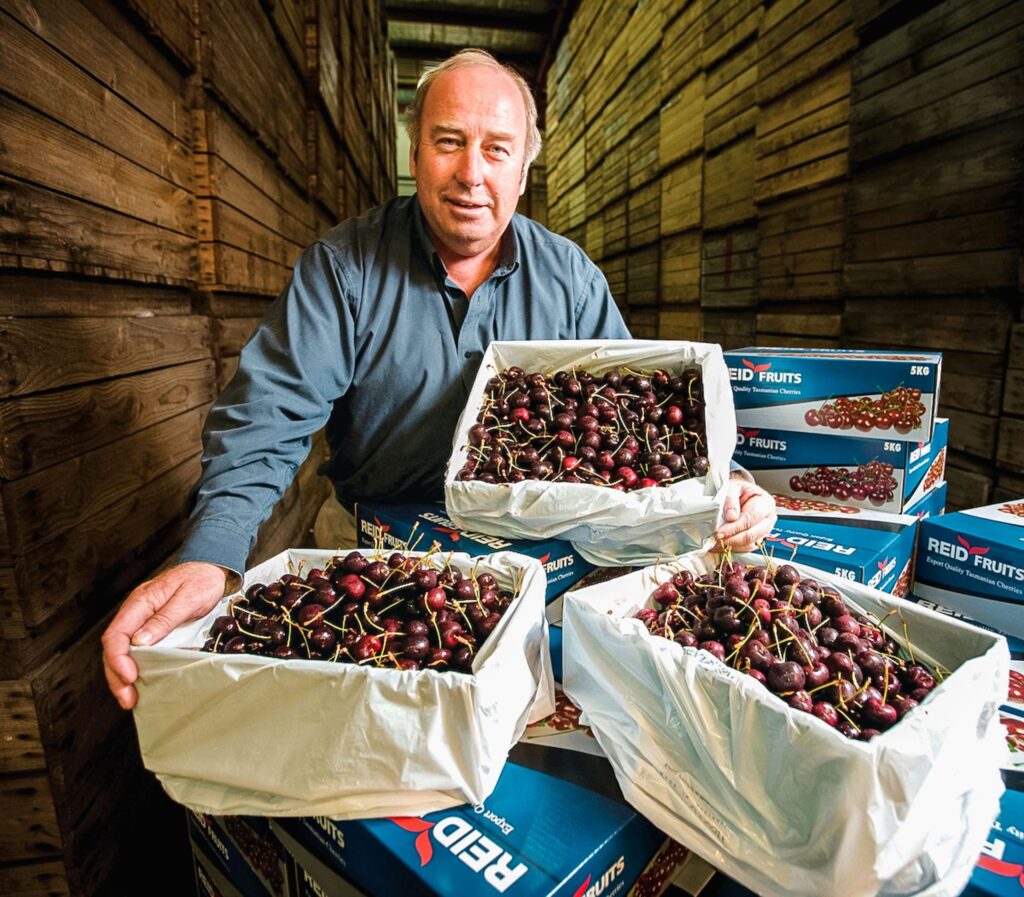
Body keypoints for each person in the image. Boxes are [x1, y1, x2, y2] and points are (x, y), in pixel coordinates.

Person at [102, 49, 776, 709]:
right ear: (415, 154)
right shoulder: (344, 268)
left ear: (524, 169)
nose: (471, 174)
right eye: (448, 142)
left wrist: (728, 486)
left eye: (496, 149)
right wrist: (212, 552)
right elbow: (269, 413)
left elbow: (653, 416)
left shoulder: (571, 280)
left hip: (531, 561)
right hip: (373, 552)